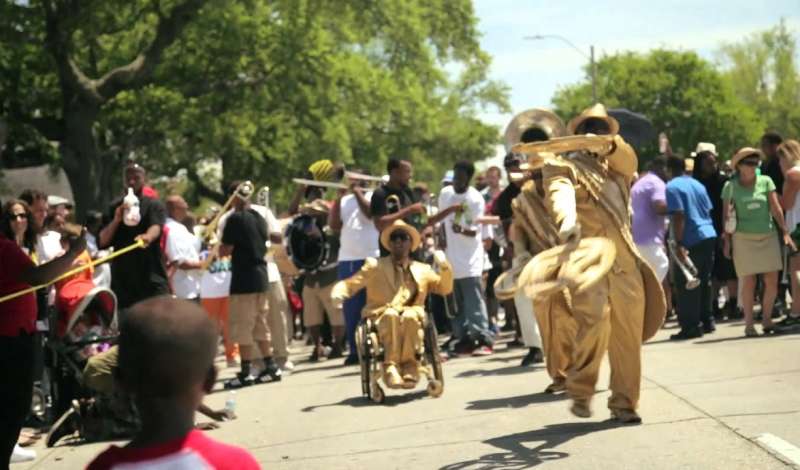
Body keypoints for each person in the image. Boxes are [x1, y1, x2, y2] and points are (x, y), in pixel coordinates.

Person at [537, 104, 666, 423]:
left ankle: (624, 403)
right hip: (589, 266)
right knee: (591, 330)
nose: (595, 133)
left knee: (627, 341)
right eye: (589, 128)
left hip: (625, 267)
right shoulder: (561, 166)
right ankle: (579, 387)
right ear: (577, 133)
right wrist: (567, 222)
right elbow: (559, 194)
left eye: (601, 128)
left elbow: (629, 159)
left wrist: (607, 145)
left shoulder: (618, 167)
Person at [86, 298, 260, 470]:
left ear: (120, 382)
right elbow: (178, 383)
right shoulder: (236, 464)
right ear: (210, 380)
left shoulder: (102, 466)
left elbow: (166, 384)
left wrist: (210, 414)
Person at [0, 222, 86, 469]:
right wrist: (73, 253)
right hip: (9, 341)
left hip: (12, 338)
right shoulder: (4, 248)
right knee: (12, 407)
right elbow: (39, 276)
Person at [332, 220, 453, 388]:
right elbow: (353, 283)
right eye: (394, 238)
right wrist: (339, 292)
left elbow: (444, 288)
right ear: (389, 244)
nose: (398, 241)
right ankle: (391, 367)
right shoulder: (375, 266)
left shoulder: (423, 269)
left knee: (410, 316)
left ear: (411, 243)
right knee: (391, 315)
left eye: (403, 237)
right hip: (381, 313)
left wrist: (445, 267)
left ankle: (410, 366)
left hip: (412, 313)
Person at [723, 148, 794, 337]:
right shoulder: (730, 186)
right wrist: (727, 241)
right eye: (749, 163)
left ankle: (767, 319)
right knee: (749, 281)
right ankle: (749, 324)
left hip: (768, 235)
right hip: (742, 238)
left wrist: (784, 231)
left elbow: (776, 208)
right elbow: (727, 217)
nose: (753, 166)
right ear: (739, 166)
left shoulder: (766, 181)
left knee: (772, 281)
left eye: (756, 163)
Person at [219, 182, 282, 387]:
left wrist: (218, 248)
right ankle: (271, 366)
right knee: (260, 325)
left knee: (243, 326)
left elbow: (225, 250)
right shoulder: (259, 217)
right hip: (261, 277)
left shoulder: (234, 219)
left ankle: (246, 372)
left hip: (243, 279)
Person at [429, 161, 494, 355]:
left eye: (460, 178)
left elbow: (476, 230)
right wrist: (442, 236)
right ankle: (462, 338)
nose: (456, 181)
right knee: (454, 303)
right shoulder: (446, 194)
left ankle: (482, 339)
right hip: (450, 259)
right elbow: (441, 222)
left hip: (470, 259)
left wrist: (462, 231)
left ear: (468, 178)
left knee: (474, 302)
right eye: (455, 177)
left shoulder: (475, 198)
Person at [98, 163, 169, 309]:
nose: (131, 181)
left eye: (136, 178)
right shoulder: (114, 207)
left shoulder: (154, 205)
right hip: (123, 282)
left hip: (151, 279)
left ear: (144, 179)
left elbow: (156, 227)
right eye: (128, 178)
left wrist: (147, 237)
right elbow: (103, 241)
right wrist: (116, 220)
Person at [665, 156, 718, 339]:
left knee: (686, 283)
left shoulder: (672, 187)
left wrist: (680, 243)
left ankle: (690, 326)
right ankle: (707, 320)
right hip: (708, 233)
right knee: (704, 280)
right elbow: (708, 209)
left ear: (669, 169)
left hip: (690, 238)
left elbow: (679, 214)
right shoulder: (698, 184)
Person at [330, 175, 380, 366]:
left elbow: (370, 214)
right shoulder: (344, 200)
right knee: (351, 308)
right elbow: (334, 226)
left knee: (376, 304)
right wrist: (338, 199)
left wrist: (358, 192)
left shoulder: (374, 195)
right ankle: (355, 349)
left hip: (372, 257)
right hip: (348, 259)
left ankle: (380, 345)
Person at [692, 144, 739, 319]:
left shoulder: (724, 181)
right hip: (704, 230)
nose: (712, 166)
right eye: (707, 163)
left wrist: (727, 231)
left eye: (714, 162)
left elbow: (730, 207)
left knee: (729, 269)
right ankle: (712, 306)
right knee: (711, 272)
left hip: (724, 229)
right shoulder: (696, 183)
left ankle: (733, 304)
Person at [370, 158, 426, 255]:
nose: (410, 175)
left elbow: (419, 221)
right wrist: (409, 210)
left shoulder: (408, 192)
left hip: (412, 254)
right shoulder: (381, 194)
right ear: (394, 172)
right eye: (407, 172)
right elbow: (379, 224)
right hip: (391, 255)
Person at [631, 156, 669, 282]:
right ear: (664, 168)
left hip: (635, 237)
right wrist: (679, 208)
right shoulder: (657, 183)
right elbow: (660, 207)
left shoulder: (642, 181)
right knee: (662, 264)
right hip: (647, 239)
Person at [778, 139, 800, 331]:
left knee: (796, 272)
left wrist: (771, 196)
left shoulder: (793, 174)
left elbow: (787, 204)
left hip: (797, 228)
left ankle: (796, 314)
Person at [164, 195, 202, 300]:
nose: (187, 206)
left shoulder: (175, 227)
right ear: (176, 209)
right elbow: (181, 262)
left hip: (188, 288)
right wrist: (205, 264)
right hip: (184, 291)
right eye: (184, 203)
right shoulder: (174, 229)